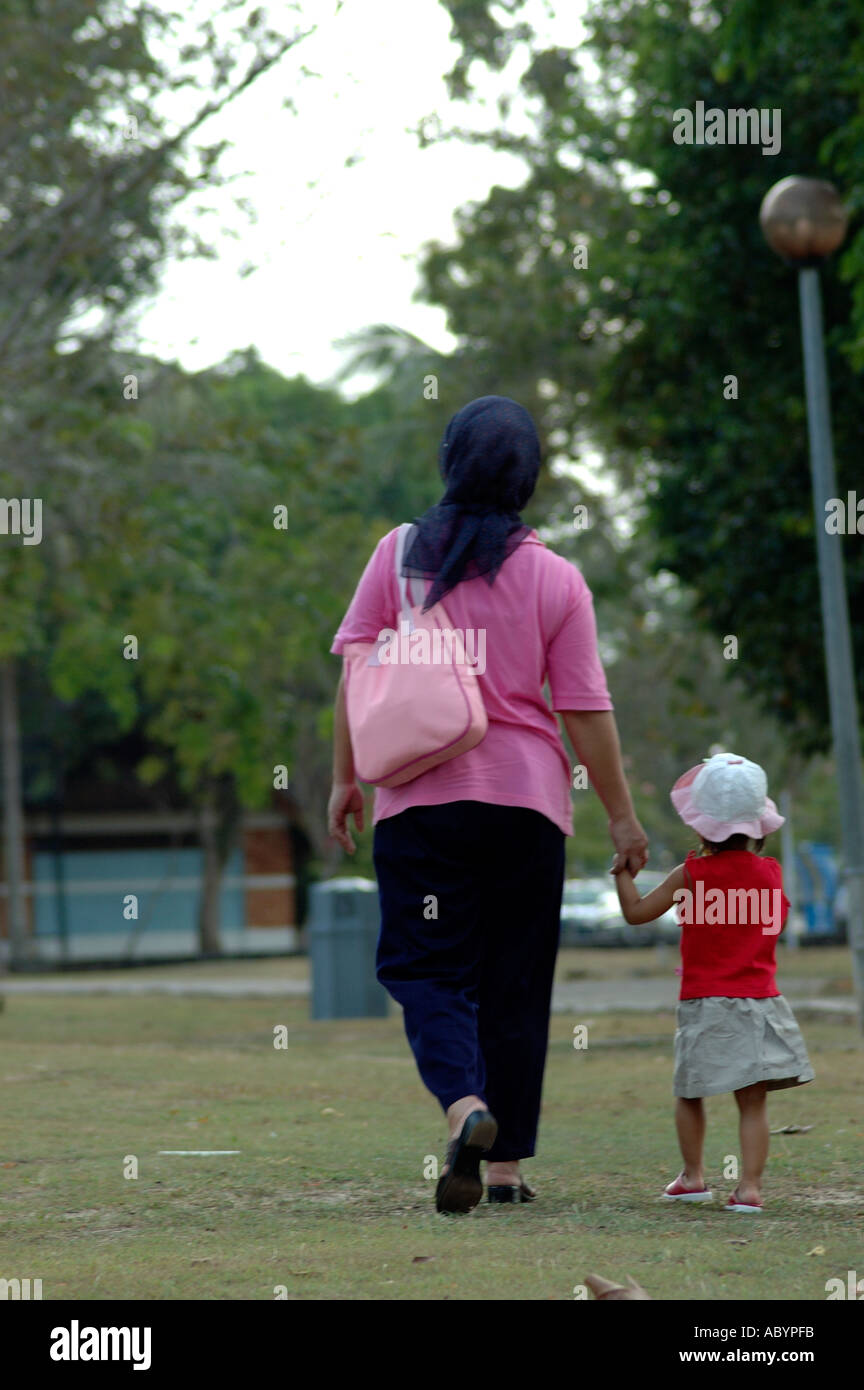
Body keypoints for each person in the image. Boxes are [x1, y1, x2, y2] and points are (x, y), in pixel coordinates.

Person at [328, 395, 648, 1213]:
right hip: (528, 805)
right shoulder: (556, 577)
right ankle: (503, 1171)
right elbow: (583, 707)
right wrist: (619, 813)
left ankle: (465, 1106)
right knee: (515, 979)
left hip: (419, 802)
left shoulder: (397, 555)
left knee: (425, 968)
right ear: (528, 480)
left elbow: (356, 674)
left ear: (450, 461)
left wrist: (343, 780)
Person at [613, 752, 814, 1213]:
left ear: (700, 825)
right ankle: (749, 1189)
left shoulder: (692, 874)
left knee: (690, 1091)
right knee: (753, 1101)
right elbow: (776, 924)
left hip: (704, 1003)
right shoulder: (770, 875)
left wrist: (623, 873)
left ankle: (693, 1176)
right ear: (759, 826)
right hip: (760, 1001)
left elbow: (636, 913)